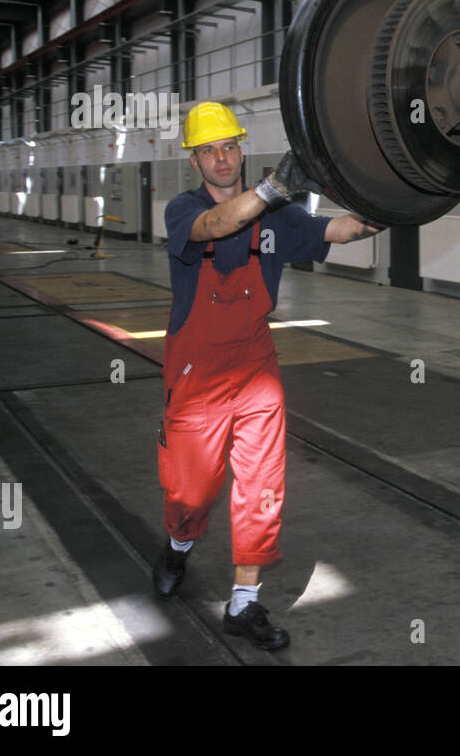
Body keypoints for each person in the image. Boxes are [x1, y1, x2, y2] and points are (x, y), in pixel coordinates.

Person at [152, 101, 380, 650]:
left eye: (228, 145)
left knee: (261, 489)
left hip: (255, 366)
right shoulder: (184, 211)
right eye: (208, 149)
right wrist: (276, 187)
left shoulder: (280, 217)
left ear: (240, 149)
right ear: (194, 162)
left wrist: (396, 197)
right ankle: (179, 545)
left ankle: (244, 605)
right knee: (190, 492)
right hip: (196, 370)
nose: (221, 157)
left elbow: (344, 229)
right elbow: (218, 223)